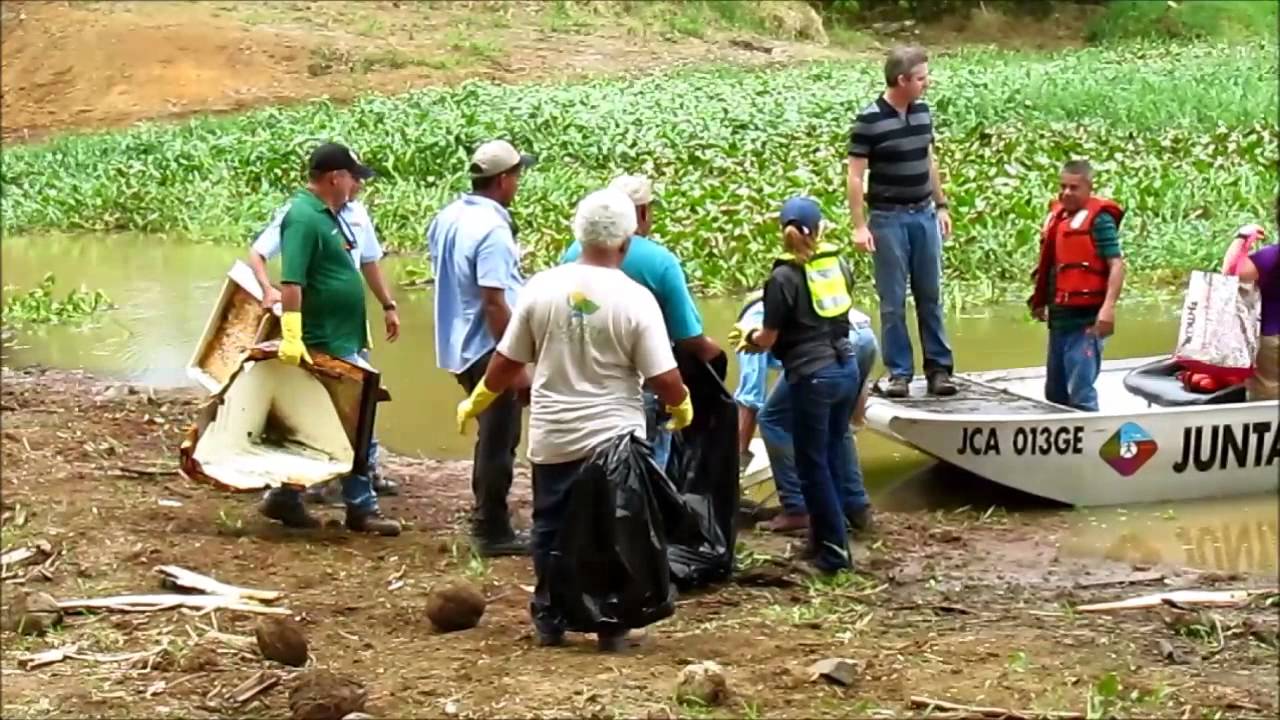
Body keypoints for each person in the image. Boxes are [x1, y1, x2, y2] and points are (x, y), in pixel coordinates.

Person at [456, 188, 694, 651]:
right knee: (613, 531)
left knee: (550, 524)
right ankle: (611, 627)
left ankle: (551, 620)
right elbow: (663, 377)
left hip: (555, 434)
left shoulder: (540, 289)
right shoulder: (636, 299)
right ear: (626, 241)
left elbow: (506, 360)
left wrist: (478, 400)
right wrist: (682, 404)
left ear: (578, 234)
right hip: (614, 439)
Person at [263, 141, 401, 536]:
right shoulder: (303, 218)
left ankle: (287, 496)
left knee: (325, 422)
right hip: (324, 339)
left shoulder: (328, 215)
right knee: (358, 422)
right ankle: (361, 508)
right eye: (353, 178)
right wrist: (292, 334)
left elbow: (359, 264)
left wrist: (386, 304)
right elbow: (292, 282)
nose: (357, 185)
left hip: (341, 337)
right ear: (335, 178)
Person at [734, 197, 860, 575]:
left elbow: (769, 338)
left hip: (812, 377)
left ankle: (833, 556)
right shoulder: (837, 265)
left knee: (813, 466)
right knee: (831, 456)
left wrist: (748, 337)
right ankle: (823, 540)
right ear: (819, 229)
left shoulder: (782, 279)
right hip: (846, 368)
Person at [561, 174, 719, 471]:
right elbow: (688, 337)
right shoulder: (660, 262)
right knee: (647, 469)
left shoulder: (573, 253)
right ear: (643, 212)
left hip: (581, 381)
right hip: (642, 384)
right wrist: (715, 354)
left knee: (586, 467)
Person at [428, 139, 536, 557]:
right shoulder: (493, 230)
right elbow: (493, 301)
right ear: (503, 180)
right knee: (499, 437)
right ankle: (491, 528)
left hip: (456, 343)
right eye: (517, 177)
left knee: (491, 432)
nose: (518, 184)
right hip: (486, 346)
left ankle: (487, 515)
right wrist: (515, 362)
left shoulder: (449, 216)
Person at [847, 45, 956, 399]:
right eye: (921, 78)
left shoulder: (922, 112)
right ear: (902, 80)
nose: (927, 83)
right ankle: (899, 373)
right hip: (888, 218)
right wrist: (859, 226)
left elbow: (928, 159)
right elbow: (855, 176)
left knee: (930, 295)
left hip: (924, 213)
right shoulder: (869, 120)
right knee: (893, 301)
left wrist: (941, 205)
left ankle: (939, 369)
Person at [734, 295, 878, 535]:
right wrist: (855, 418)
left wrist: (738, 460)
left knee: (772, 420)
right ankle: (856, 507)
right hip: (864, 337)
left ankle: (797, 509)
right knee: (837, 424)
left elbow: (750, 399)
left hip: (827, 348)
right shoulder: (802, 296)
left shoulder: (751, 325)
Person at [1028, 160, 1125, 412]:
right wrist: (1039, 301)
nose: (1066, 193)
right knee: (1054, 393)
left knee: (1080, 392)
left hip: (1086, 323)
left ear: (1089, 188)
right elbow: (1050, 266)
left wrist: (1108, 309)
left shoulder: (1099, 220)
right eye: (1063, 187)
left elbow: (1116, 264)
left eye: (1074, 188)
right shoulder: (1057, 218)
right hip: (1059, 319)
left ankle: (1091, 431)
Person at [1231, 195, 1280, 401]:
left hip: (1272, 339)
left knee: (1267, 399)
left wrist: (1241, 238)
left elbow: (1232, 272)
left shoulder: (1271, 257)